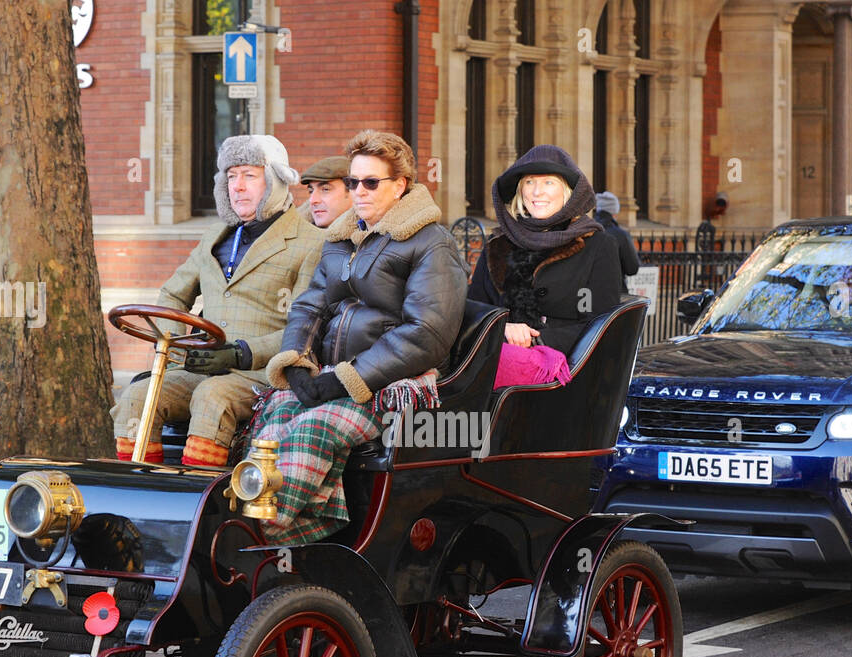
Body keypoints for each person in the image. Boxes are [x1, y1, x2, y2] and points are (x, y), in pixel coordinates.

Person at [255, 130, 467, 544]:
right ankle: (316, 526)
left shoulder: (430, 242)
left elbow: (426, 334)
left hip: (388, 387)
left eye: (371, 182)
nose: (359, 191)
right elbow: (309, 307)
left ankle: (264, 531)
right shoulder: (339, 238)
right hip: (332, 376)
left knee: (314, 426)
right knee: (275, 414)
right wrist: (297, 364)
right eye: (353, 183)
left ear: (400, 185)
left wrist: (346, 379)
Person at [110, 134, 322, 467]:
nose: (237, 186)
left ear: (277, 180)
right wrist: (176, 347)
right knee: (137, 395)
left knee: (212, 397)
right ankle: (143, 492)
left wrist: (239, 353)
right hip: (199, 368)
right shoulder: (216, 235)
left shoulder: (312, 242)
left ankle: (198, 507)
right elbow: (172, 295)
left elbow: (303, 329)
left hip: (260, 374)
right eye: (231, 176)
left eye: (250, 176)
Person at [468, 145, 622, 388]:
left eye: (549, 182)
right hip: (494, 369)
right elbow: (475, 308)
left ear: (567, 192)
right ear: (520, 191)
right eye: (529, 182)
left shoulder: (597, 246)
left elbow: (599, 323)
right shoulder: (497, 246)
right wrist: (503, 328)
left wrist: (535, 340)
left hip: (564, 379)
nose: (537, 192)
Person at [594, 190, 641, 290]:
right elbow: (632, 268)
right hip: (615, 293)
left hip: (587, 295)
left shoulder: (586, 231)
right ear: (614, 213)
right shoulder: (620, 235)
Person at [299, 156, 353, 228]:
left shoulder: (369, 236)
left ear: (353, 191)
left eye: (325, 189)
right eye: (311, 191)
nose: (312, 201)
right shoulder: (298, 234)